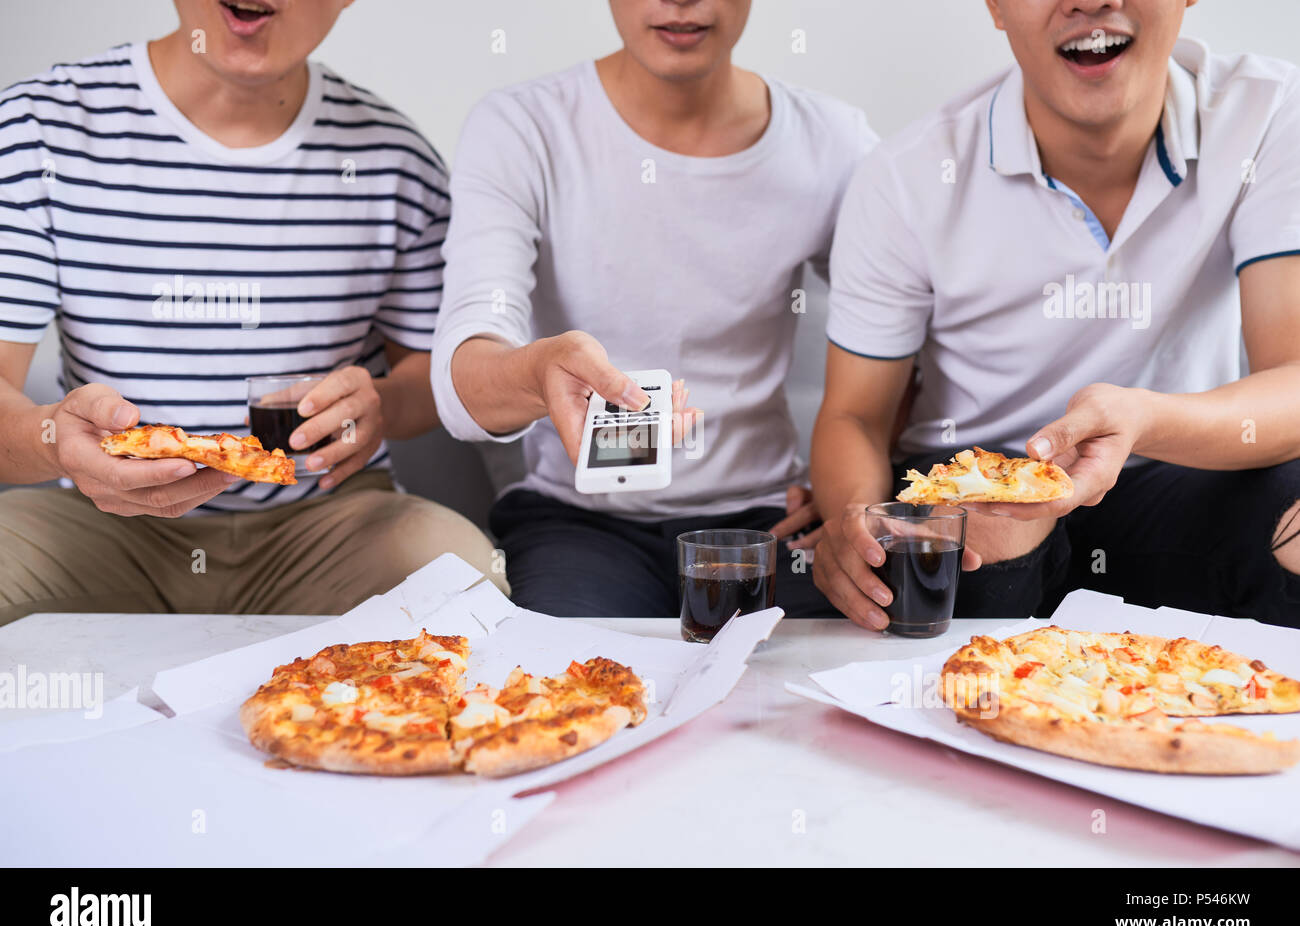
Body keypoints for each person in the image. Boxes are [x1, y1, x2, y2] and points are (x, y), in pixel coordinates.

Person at [0, 0, 505, 625]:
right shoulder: (38, 129)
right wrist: (58, 444)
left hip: (328, 522)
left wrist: (379, 404)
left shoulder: (393, 158)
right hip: (99, 526)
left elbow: (431, 378)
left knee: (468, 587)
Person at [812, 0, 1300, 630]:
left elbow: (1292, 377)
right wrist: (855, 517)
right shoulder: (907, 175)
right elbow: (852, 414)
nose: (1090, 2)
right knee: (987, 527)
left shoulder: (1267, 114)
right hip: (977, 493)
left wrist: (1143, 420)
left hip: (1181, 469)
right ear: (995, 7)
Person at [430, 0, 875, 617]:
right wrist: (539, 373)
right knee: (571, 689)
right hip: (580, 522)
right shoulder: (522, 127)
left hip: (766, 524)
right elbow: (462, 379)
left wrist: (852, 493)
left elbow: (905, 332)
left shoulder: (835, 141)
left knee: (812, 683)